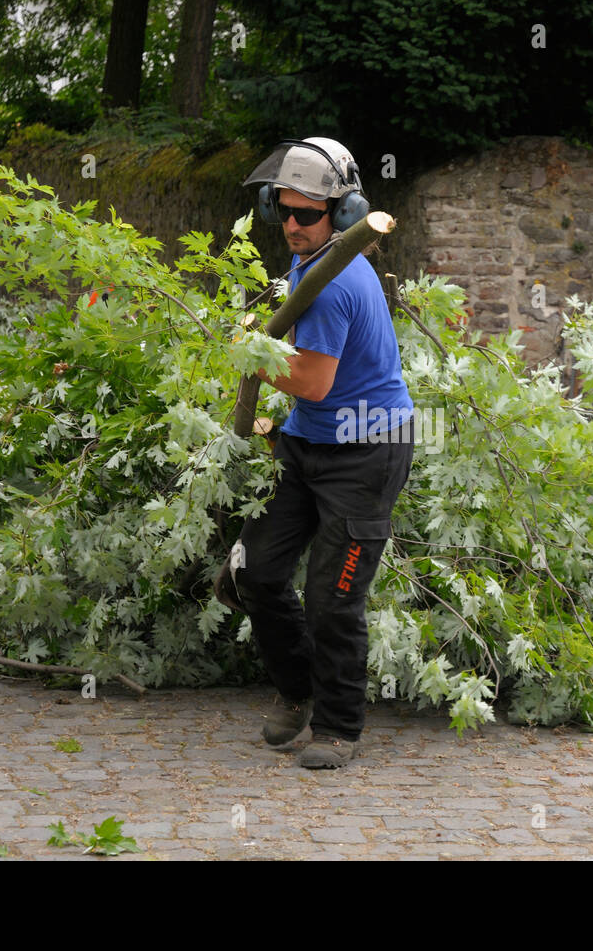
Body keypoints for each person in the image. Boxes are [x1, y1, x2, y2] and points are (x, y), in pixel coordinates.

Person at [225, 137, 415, 768]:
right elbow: (309, 392)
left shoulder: (336, 280)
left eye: (308, 214)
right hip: (308, 441)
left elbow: (311, 380)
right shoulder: (313, 264)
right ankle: (296, 691)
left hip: (368, 453)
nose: (293, 226)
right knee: (254, 570)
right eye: (284, 211)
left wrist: (253, 352)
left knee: (332, 597)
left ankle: (339, 728)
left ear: (343, 211)